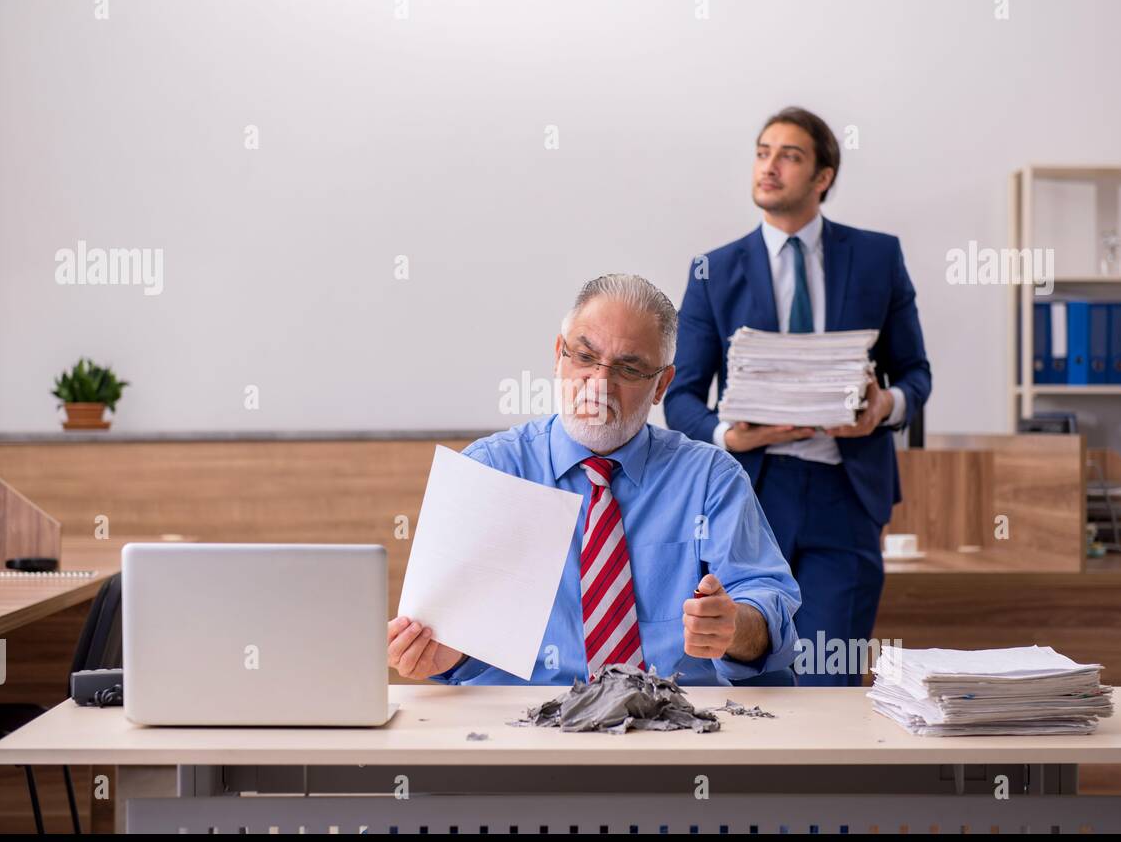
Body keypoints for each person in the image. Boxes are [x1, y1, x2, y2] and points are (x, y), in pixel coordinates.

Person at [388, 274, 801, 685]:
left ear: (662, 385)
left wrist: (734, 628)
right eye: (585, 357)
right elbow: (450, 646)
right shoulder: (490, 471)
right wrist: (442, 657)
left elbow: (769, 614)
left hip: (672, 729)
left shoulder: (711, 478)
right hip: (522, 731)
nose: (600, 384)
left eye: (628, 369)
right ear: (557, 356)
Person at [664, 107, 932, 686]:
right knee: (743, 672)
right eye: (763, 152)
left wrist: (885, 408)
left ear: (823, 176)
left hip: (847, 494)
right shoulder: (714, 269)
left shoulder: (878, 258)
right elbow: (680, 398)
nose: (770, 166)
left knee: (826, 679)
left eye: (790, 155)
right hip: (749, 495)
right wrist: (728, 436)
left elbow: (915, 375)